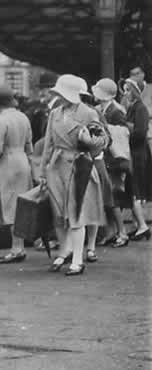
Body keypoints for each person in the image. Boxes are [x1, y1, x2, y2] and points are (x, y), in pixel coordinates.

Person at [39, 75, 106, 276]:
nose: (59, 97)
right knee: (59, 215)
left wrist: (89, 140)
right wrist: (43, 172)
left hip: (79, 168)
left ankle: (77, 260)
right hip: (56, 167)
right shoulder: (55, 113)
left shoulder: (89, 113)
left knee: (77, 215)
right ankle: (65, 250)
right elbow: (48, 144)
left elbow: (102, 142)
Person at [0, 85, 34, 263]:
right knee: (21, 205)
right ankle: (19, 245)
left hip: (7, 164)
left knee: (9, 206)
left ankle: (16, 249)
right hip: (22, 161)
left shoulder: (0, 121)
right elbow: (29, 146)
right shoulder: (23, 117)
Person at [92, 78, 129, 248]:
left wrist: (105, 127)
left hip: (114, 159)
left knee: (112, 197)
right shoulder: (105, 109)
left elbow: (122, 135)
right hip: (108, 158)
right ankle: (113, 231)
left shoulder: (115, 112)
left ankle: (121, 232)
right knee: (109, 196)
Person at [122, 78, 151, 241]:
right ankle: (138, 225)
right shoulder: (134, 108)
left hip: (138, 154)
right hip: (135, 152)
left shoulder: (140, 109)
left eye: (127, 90)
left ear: (135, 91)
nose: (125, 93)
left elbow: (140, 132)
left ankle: (142, 226)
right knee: (133, 189)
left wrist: (125, 132)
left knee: (135, 190)